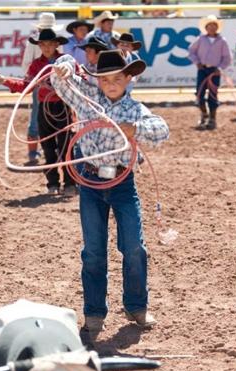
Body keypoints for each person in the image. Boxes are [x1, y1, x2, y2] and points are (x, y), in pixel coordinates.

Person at [50, 50, 169, 345]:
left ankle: (136, 307)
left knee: (134, 247)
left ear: (129, 79)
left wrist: (136, 129)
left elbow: (161, 131)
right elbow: (59, 81)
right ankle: (94, 313)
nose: (112, 83)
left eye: (118, 78)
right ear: (98, 81)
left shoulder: (136, 110)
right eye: (105, 79)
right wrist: (64, 65)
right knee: (93, 251)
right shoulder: (87, 100)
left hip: (121, 181)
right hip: (89, 182)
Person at [0, 29, 76, 195]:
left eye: (50, 44)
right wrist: (6, 81)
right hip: (44, 108)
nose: (46, 47)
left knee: (67, 147)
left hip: (63, 107)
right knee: (48, 147)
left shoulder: (67, 62)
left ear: (56, 44)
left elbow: (81, 79)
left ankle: (69, 183)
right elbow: (26, 86)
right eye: (43, 44)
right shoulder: (36, 65)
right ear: (39, 46)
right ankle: (52, 183)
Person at [22, 12, 64, 166]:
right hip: (39, 84)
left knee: (43, 116)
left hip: (56, 85)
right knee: (39, 117)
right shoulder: (50, 42)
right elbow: (28, 65)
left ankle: (38, 152)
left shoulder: (38, 43)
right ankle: (40, 151)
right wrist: (37, 79)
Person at [188, 15, 232, 130]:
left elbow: (227, 57)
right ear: (206, 27)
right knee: (199, 94)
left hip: (214, 71)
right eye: (210, 25)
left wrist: (220, 68)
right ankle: (204, 114)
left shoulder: (222, 41)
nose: (212, 27)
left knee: (213, 95)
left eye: (214, 25)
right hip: (202, 69)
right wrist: (197, 62)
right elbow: (191, 51)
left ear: (217, 27)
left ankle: (212, 119)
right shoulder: (201, 39)